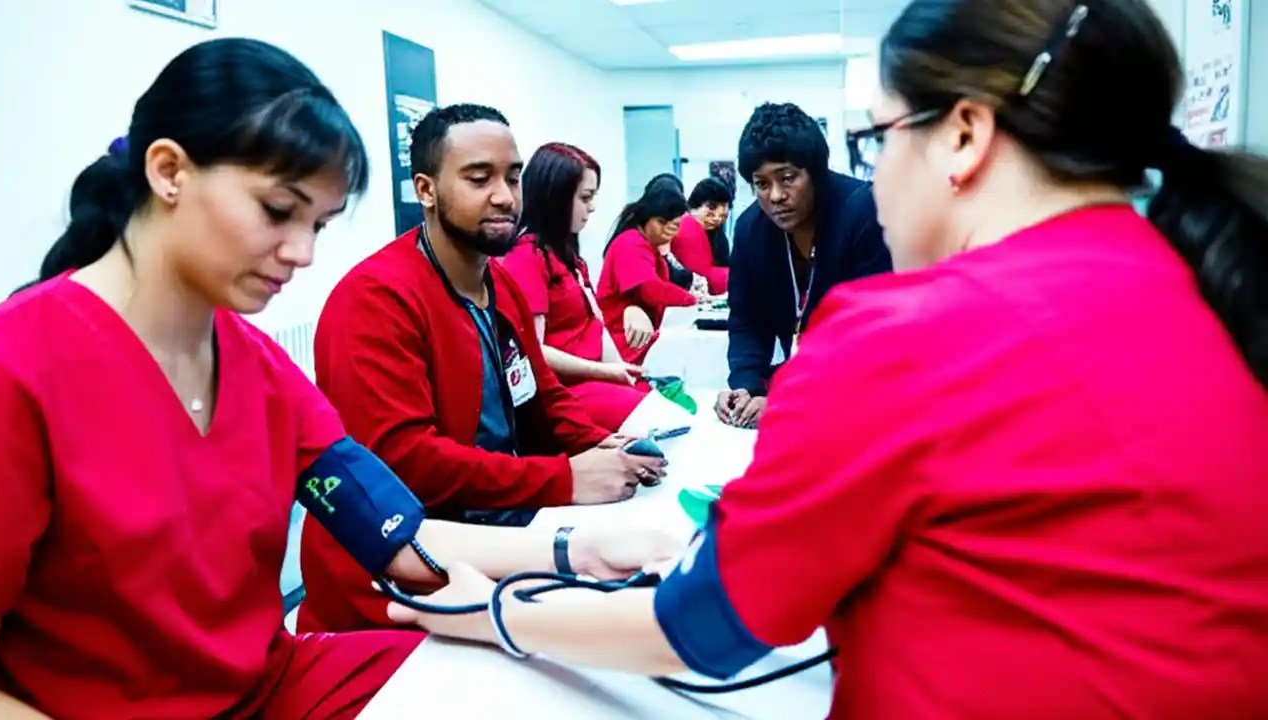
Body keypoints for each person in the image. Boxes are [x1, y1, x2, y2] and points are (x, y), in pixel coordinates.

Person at [387, 1, 1268, 717]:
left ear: (962, 135)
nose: (876, 178)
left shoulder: (910, 336)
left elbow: (706, 625)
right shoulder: (1213, 291)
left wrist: (495, 612)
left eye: (879, 142)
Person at [0, 39, 678, 720]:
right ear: (169, 171)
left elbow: (396, 536)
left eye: (318, 223)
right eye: (279, 212)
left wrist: (576, 550)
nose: (305, 253)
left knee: (536, 687)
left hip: (271, 683)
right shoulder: (15, 369)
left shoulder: (256, 366)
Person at [298, 104, 667, 634]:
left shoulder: (501, 283)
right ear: (426, 190)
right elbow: (406, 461)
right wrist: (562, 477)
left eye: (513, 178)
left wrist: (599, 446)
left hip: (500, 519)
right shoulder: (374, 300)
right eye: (479, 178)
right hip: (408, 567)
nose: (505, 196)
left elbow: (540, 396)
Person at [717, 102, 892, 429]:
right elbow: (747, 319)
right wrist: (745, 386)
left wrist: (788, 398)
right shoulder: (750, 229)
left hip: (866, 391)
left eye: (787, 178)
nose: (775, 196)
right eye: (761, 184)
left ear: (816, 172)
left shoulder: (863, 212)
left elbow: (873, 334)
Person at [501, 142, 650, 430]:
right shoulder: (527, 257)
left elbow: (594, 325)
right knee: (658, 420)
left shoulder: (565, 254)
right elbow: (534, 350)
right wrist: (608, 372)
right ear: (555, 197)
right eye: (585, 197)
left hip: (598, 382)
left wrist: (625, 375)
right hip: (569, 393)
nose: (592, 207)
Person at [598, 186, 700, 366]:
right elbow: (650, 289)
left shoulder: (648, 246)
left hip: (636, 342)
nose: (669, 229)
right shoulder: (631, 242)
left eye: (674, 225)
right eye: (661, 222)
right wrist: (692, 300)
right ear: (646, 218)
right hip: (624, 346)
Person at [670, 178, 733, 295]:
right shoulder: (687, 226)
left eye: (723, 216)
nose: (716, 219)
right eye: (710, 212)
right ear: (692, 206)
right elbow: (700, 274)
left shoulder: (718, 236)